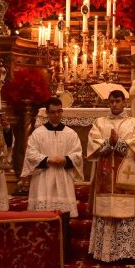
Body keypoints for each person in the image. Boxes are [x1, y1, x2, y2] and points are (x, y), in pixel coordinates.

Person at [87, 89, 135, 263]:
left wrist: (120, 143)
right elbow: (93, 144)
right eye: (111, 101)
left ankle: (130, 253)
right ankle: (105, 253)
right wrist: (109, 142)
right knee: (107, 210)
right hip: (106, 173)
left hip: (127, 175)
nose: (114, 104)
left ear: (125, 103)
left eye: (117, 101)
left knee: (128, 211)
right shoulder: (99, 122)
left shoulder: (133, 123)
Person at [23, 97, 83, 255]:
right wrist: (48, 159)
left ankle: (63, 252)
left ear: (62, 111)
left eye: (58, 112)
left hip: (62, 178)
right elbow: (30, 154)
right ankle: (42, 251)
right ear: (47, 113)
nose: (56, 115)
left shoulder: (71, 134)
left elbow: (77, 155)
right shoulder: (38, 133)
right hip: (43, 178)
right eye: (52, 112)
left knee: (63, 216)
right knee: (43, 216)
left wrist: (65, 160)